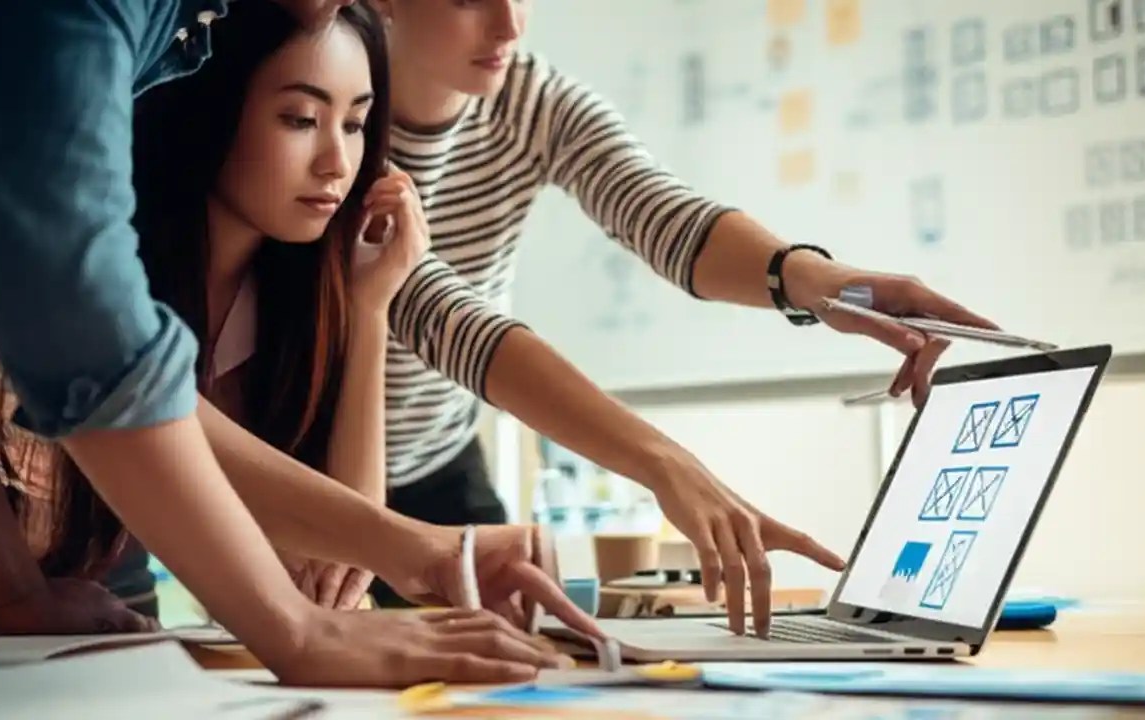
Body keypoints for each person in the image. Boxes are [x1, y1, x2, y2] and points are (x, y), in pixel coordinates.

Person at [0, 0, 598, 687]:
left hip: (96, 579)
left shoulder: (302, 279)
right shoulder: (103, 243)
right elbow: (76, 342)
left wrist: (370, 311)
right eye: (299, 118)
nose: (336, 163)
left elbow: (333, 577)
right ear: (211, 112)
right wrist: (405, 555)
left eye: (357, 124)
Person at [354, 0, 996, 637]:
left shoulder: (529, 98)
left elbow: (660, 211)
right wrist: (665, 463)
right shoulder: (336, 113)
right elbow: (446, 319)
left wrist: (820, 282)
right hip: (321, 457)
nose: (509, 24)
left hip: (441, 456)